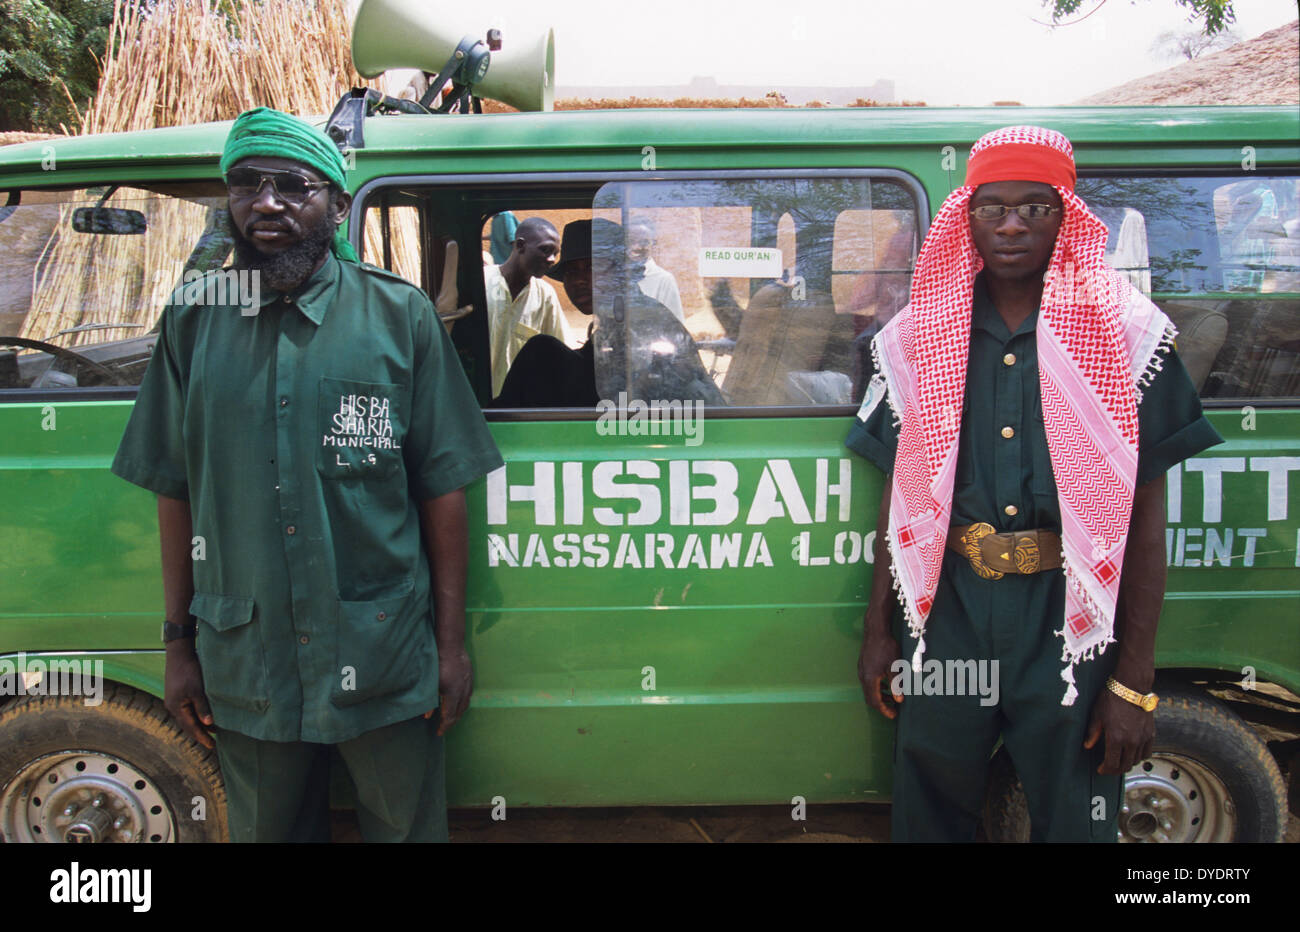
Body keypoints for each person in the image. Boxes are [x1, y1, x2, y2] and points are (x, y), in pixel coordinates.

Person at [110, 107, 503, 843]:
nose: (266, 204)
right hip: (246, 659)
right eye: (246, 185)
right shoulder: (194, 320)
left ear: (338, 203)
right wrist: (177, 644)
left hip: (381, 651)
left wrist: (449, 648)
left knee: (406, 830)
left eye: (294, 186)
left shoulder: (398, 318)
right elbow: (175, 489)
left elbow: (442, 489)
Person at [847, 126, 1222, 842]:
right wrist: (878, 633)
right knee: (929, 805)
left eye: (1035, 209)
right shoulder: (916, 338)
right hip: (947, 616)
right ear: (968, 216)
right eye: (993, 208)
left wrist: (1133, 680)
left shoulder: (1130, 336)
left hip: (1070, 622)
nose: (1012, 225)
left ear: (1065, 218)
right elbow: (900, 503)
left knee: (1074, 815)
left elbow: (1144, 520)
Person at [493, 219, 722, 408]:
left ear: (621, 273)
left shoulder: (640, 319)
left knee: (541, 350)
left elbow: (634, 396)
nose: (580, 280)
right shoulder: (615, 317)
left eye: (593, 267)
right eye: (572, 271)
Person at [484, 216, 566, 396]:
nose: (552, 259)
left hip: (518, 407)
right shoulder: (481, 283)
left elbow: (559, 351)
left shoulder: (545, 295)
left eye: (556, 253)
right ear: (520, 245)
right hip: (476, 400)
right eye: (545, 250)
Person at [626, 219, 685, 323]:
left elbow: (676, 323)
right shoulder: (617, 276)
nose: (636, 247)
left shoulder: (664, 279)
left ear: (653, 243)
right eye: (630, 241)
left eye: (644, 242)